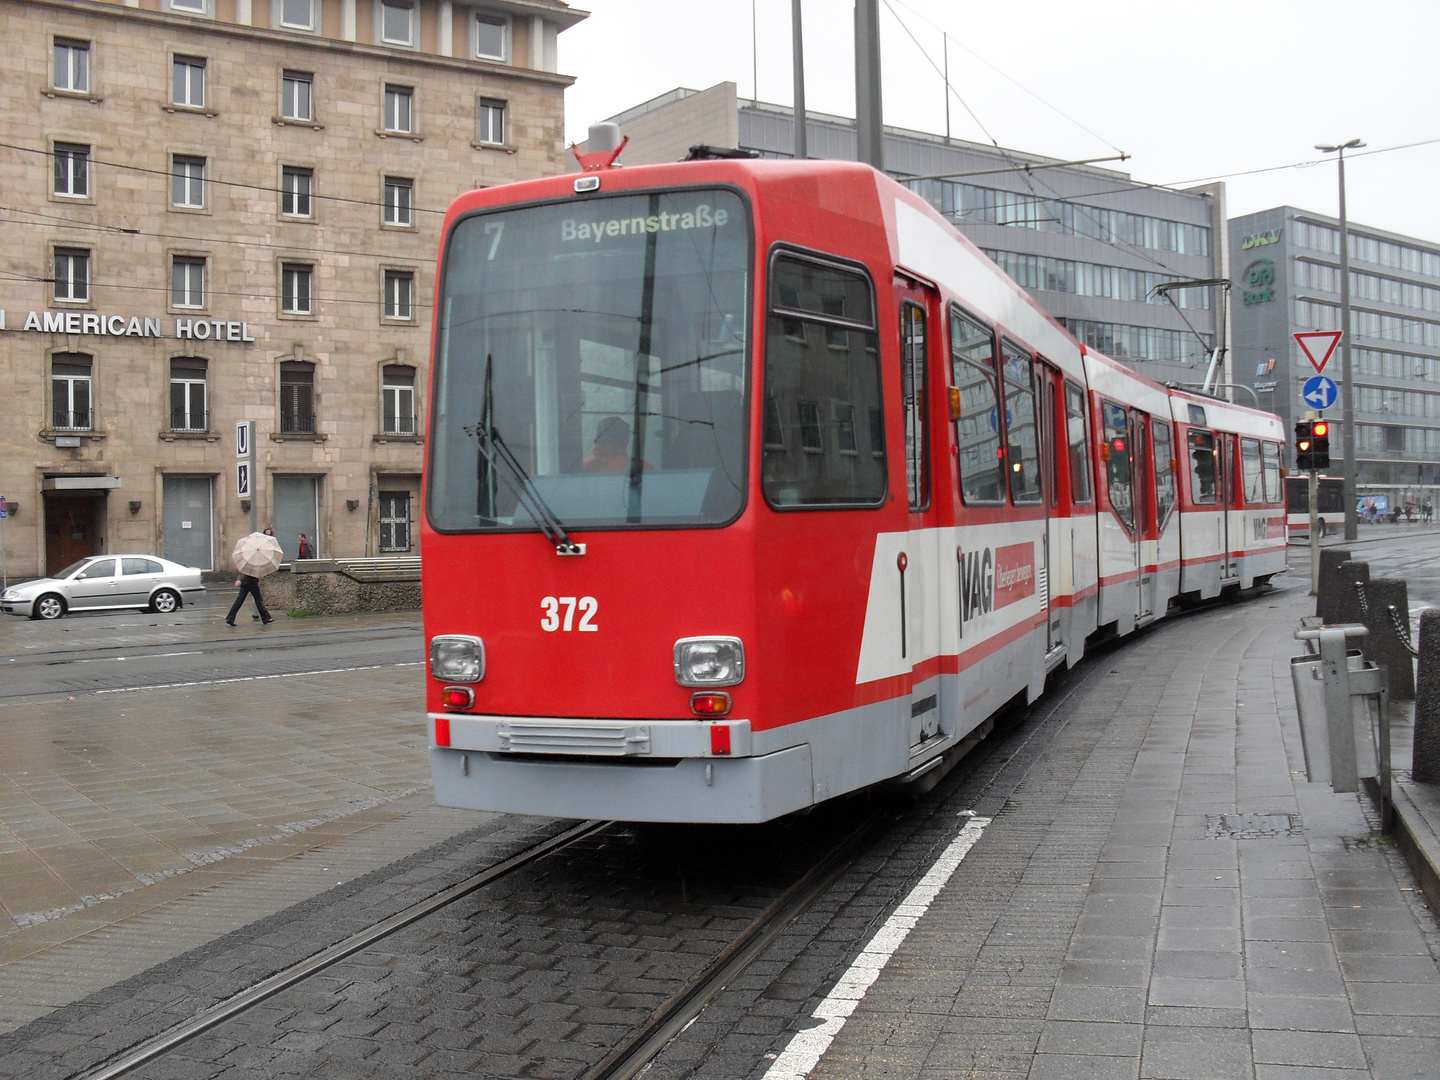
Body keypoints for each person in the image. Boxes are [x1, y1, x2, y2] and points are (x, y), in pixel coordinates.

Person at [226, 528, 275, 626]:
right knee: (258, 599)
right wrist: (240, 580)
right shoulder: (252, 558)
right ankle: (266, 617)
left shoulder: (247, 555)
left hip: (248, 581)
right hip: (250, 581)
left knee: (241, 600)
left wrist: (240, 579)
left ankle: (230, 618)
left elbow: (242, 569)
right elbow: (246, 572)